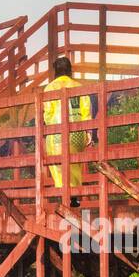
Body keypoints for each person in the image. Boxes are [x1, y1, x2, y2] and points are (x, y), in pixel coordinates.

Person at [42, 57, 91, 190]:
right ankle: (75, 201)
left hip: (56, 135)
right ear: (70, 71)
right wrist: (88, 132)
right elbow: (86, 110)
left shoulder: (49, 88)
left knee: (59, 172)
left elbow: (47, 114)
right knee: (75, 168)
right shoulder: (79, 87)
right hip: (78, 134)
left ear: (55, 72)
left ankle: (64, 200)